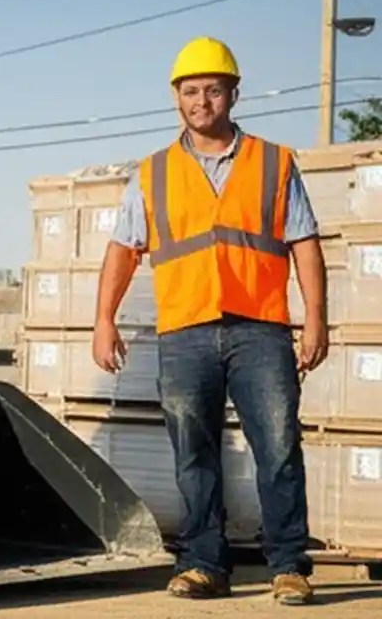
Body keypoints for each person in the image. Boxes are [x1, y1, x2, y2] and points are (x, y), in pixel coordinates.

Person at [92, 36, 329, 605]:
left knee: (277, 445)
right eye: (191, 90)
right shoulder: (151, 174)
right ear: (177, 97)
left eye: (214, 90)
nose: (203, 101)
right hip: (185, 328)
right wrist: (104, 319)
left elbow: (304, 242)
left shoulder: (274, 162)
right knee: (192, 450)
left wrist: (316, 318)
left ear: (233, 94)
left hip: (261, 327)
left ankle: (289, 564)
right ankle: (203, 563)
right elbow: (123, 249)